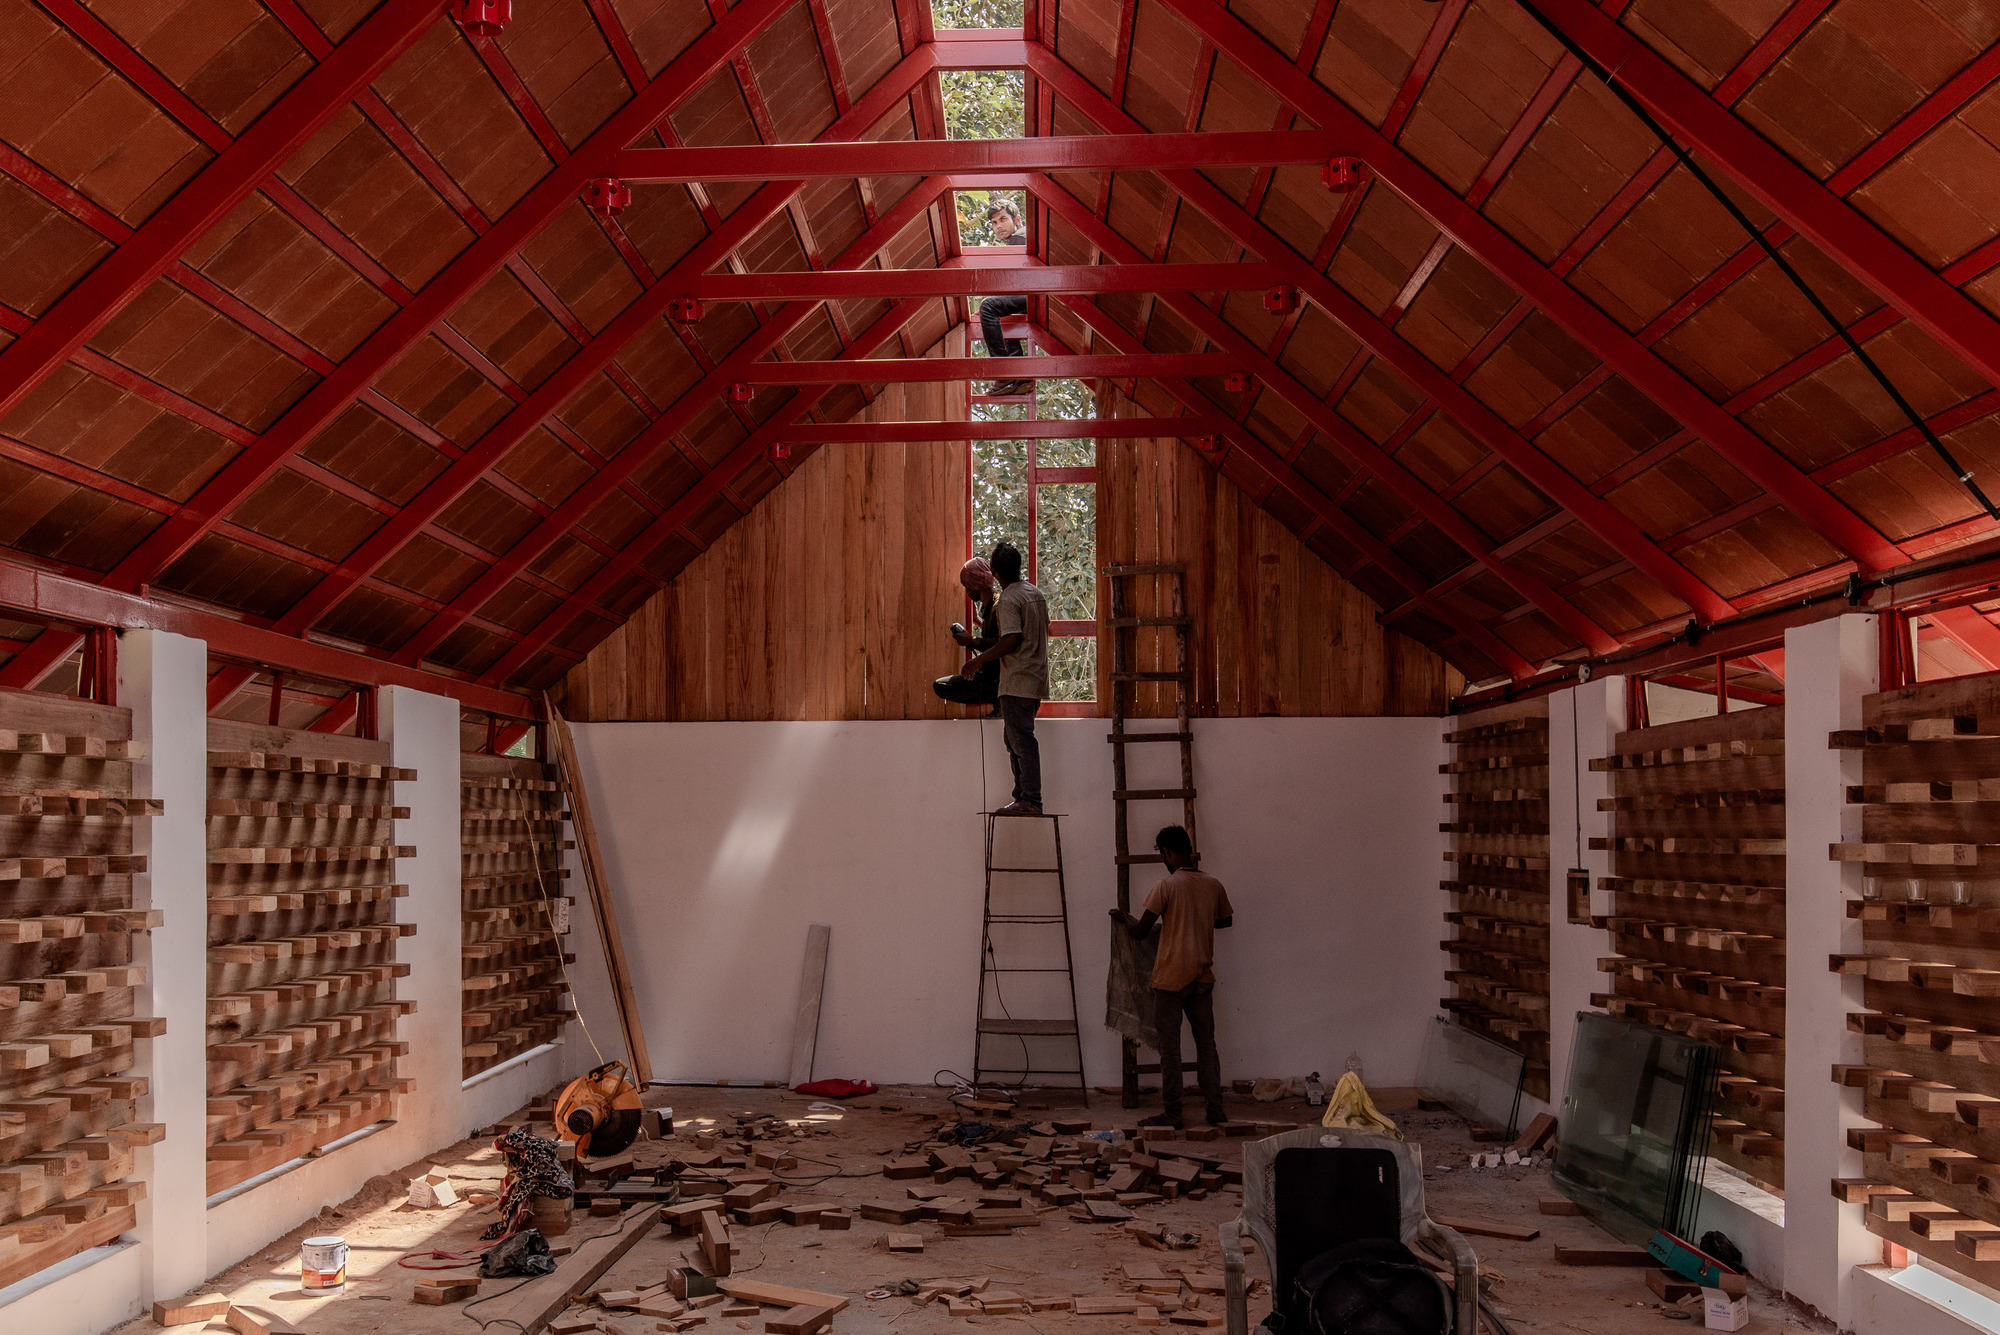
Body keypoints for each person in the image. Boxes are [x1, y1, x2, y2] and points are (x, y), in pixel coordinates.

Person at [1110, 825, 1234, 1129]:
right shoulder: (1213, 884)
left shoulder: (1166, 886)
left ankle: (1173, 1114)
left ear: (1167, 852)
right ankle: (1215, 1111)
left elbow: (1140, 933)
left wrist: (1124, 918)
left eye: (1163, 855)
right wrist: (1196, 921)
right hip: (1202, 978)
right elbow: (1225, 921)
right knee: (1207, 1045)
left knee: (1170, 1050)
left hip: (1170, 979)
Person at [958, 541, 1048, 815]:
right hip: (1035, 679)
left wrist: (977, 660)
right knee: (1015, 740)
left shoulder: (1008, 599)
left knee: (1021, 741)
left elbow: (1011, 640)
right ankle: (1021, 796)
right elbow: (1043, 629)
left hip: (1017, 681)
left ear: (995, 572)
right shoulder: (1035, 594)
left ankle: (1030, 799)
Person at [978, 201, 1032, 398]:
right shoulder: (1018, 239)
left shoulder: (1020, 237)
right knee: (1000, 313)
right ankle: (1019, 376)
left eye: (1003, 219)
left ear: (1017, 219)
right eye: (994, 223)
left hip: (1035, 292)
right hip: (1031, 293)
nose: (998, 226)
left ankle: (1003, 372)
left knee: (988, 307)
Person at [932, 557, 1000, 709]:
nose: (967, 591)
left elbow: (1000, 644)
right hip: (991, 676)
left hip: (995, 678)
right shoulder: (989, 607)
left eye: (967, 586)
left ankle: (997, 697)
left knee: (941, 686)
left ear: (976, 584)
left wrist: (971, 641)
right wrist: (976, 621)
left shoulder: (998, 607)